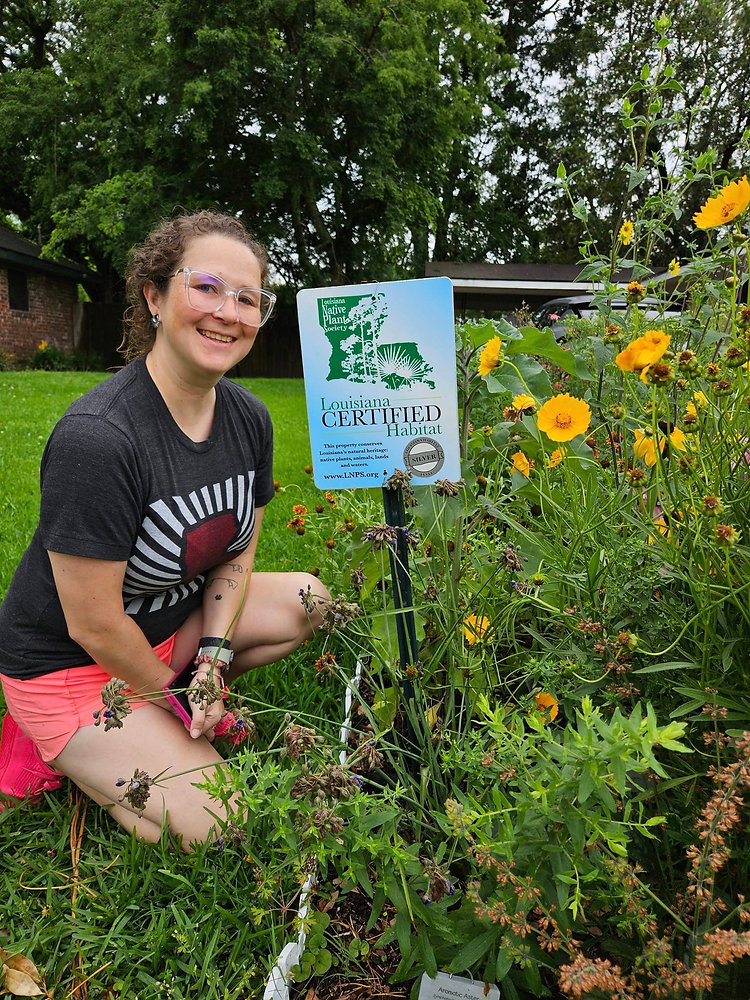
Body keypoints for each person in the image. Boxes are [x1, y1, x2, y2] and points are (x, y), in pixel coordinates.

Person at [0, 210, 329, 847]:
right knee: (225, 820)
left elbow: (236, 557)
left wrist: (211, 659)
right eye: (205, 287)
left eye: (247, 298)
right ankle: (58, 746)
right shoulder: (99, 439)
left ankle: (138, 738)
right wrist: (178, 700)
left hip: (163, 636)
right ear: (154, 296)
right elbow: (92, 624)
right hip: (69, 666)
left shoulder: (250, 419)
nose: (228, 312)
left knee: (308, 601)